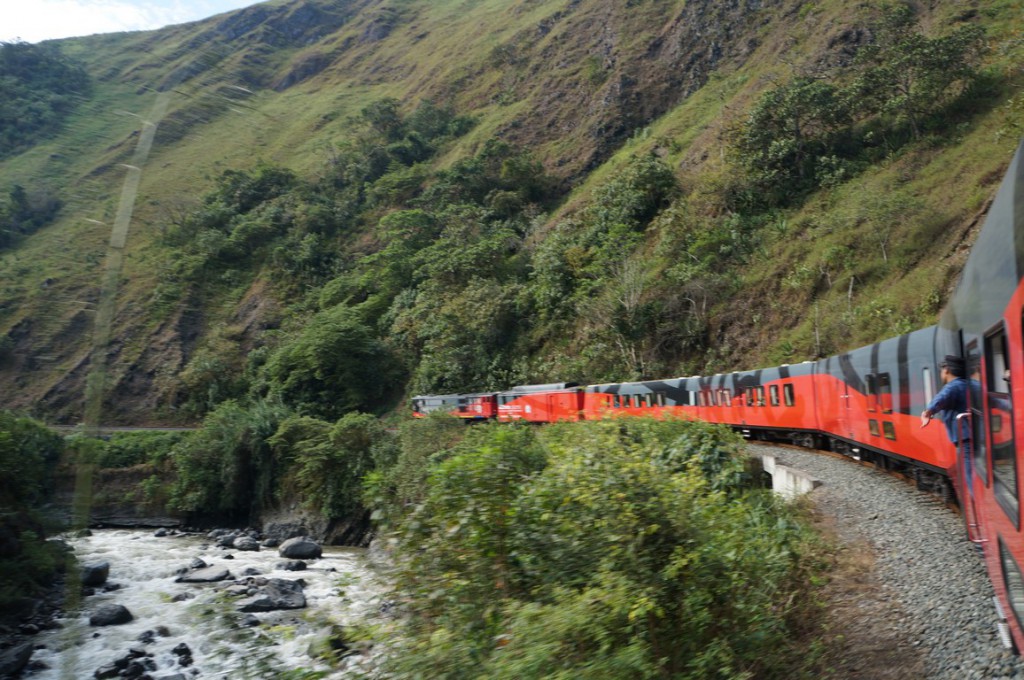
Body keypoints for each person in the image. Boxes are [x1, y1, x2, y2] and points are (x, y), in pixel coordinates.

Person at [920, 355, 971, 444]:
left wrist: (928, 412)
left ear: (946, 370)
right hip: (974, 435)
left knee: (966, 457)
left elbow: (941, 398)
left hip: (963, 438)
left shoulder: (952, 386)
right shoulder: (969, 384)